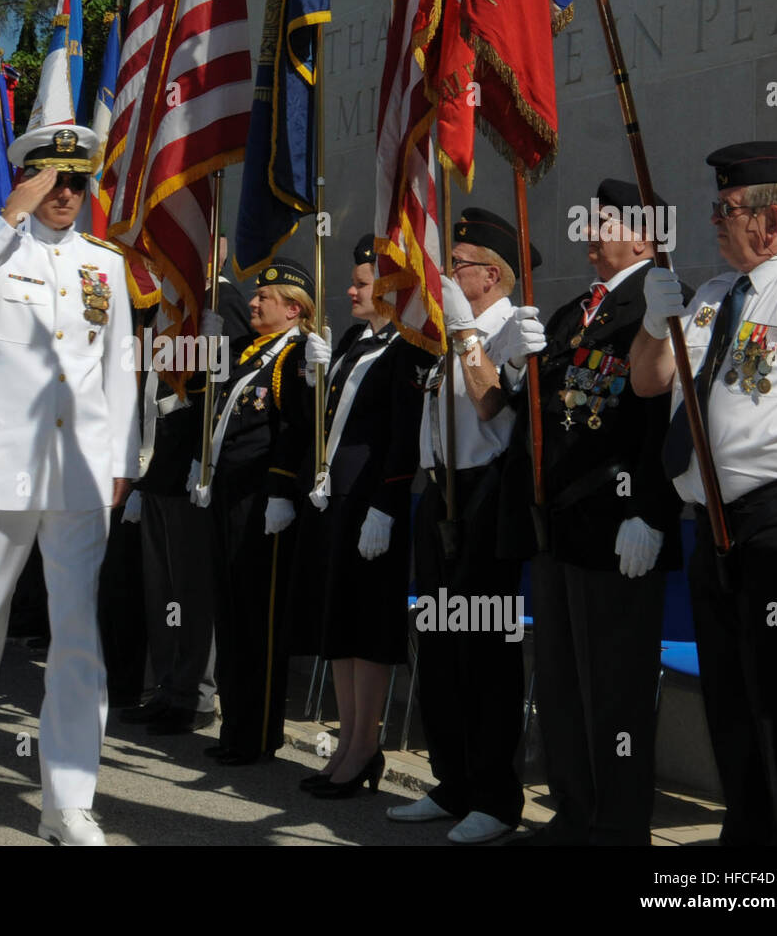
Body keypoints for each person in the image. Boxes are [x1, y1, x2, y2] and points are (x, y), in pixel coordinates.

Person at [0, 125, 139, 846]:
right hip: (0, 464)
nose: (67, 194)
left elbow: (119, 374)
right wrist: (9, 215)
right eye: (53, 180)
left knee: (77, 632)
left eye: (78, 182)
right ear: (29, 181)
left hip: (78, 471)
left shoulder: (104, 266)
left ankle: (68, 799)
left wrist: (120, 465)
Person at [630, 141, 777, 846]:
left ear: (770, 220)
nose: (714, 218)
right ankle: (744, 849)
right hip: (708, 524)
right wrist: (655, 325)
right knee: (729, 704)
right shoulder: (713, 295)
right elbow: (649, 382)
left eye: (726, 208)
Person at [502, 180, 688, 845]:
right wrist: (510, 363)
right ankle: (574, 812)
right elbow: (539, 413)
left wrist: (654, 512)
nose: (589, 230)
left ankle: (616, 828)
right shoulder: (572, 312)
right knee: (561, 682)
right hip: (561, 524)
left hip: (620, 525)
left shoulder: (658, 300)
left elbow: (668, 421)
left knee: (616, 692)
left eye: (602, 221)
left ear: (643, 235)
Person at [387, 209, 545, 844]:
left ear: (494, 273)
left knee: (486, 653)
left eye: (457, 265)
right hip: (442, 498)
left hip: (486, 500)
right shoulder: (446, 329)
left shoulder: (513, 329)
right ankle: (452, 780)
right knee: (443, 649)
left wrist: (466, 337)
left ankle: (495, 797)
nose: (446, 275)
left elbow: (493, 405)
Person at [296, 234, 434, 798]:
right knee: (342, 626)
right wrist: (315, 378)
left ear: (388, 289)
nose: (350, 290)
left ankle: (364, 747)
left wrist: (387, 501)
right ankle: (349, 738)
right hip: (339, 500)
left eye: (360, 283)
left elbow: (403, 435)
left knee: (370, 628)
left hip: (375, 504)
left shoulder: (407, 347)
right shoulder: (355, 339)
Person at [121, 238, 251, 735]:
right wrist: (138, 475)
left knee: (192, 591)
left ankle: (196, 694)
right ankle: (169, 685)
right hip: (158, 470)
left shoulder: (223, 302)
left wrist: (203, 457)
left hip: (191, 471)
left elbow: (232, 385)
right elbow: (150, 390)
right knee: (163, 593)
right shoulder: (165, 308)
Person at [190, 257, 313, 766]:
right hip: (227, 493)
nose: (254, 303)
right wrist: (209, 347)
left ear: (293, 308)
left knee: (258, 620)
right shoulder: (249, 351)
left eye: (265, 298)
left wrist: (283, 489)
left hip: (262, 502)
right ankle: (236, 725)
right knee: (231, 612)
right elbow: (205, 397)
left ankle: (259, 733)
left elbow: (296, 427)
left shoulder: (296, 354)